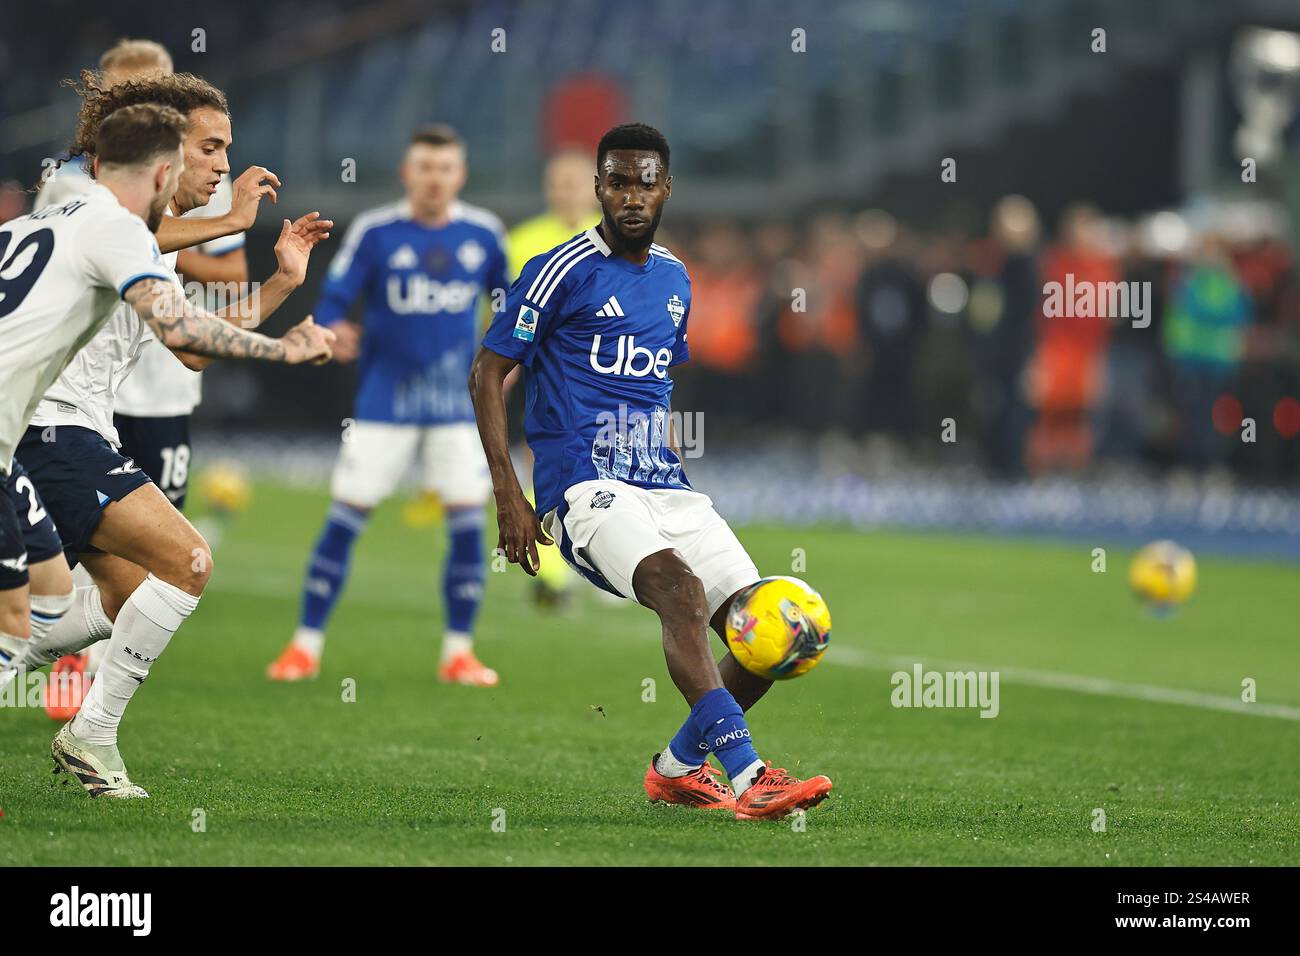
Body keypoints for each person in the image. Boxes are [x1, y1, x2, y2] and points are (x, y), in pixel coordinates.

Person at [469, 123, 832, 820]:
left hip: (664, 484)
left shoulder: (673, 276)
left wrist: (670, 468)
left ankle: (675, 770)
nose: (631, 195)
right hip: (582, 485)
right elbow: (488, 372)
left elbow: (653, 383)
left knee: (770, 634)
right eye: (618, 181)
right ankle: (751, 777)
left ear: (666, 189)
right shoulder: (560, 267)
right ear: (600, 188)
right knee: (680, 592)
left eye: (645, 182)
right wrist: (509, 491)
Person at [0, 102, 334, 797]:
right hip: (51, 429)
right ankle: (92, 737)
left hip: (43, 429)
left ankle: (85, 732)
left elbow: (189, 346)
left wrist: (281, 285)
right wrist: (283, 347)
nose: (221, 167)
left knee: (112, 597)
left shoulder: (61, 214)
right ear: (166, 161)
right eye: (210, 149)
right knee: (187, 560)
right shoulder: (116, 227)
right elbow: (185, 338)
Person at [267, 125, 508, 687]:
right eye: (424, 167)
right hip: (383, 403)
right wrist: (332, 329)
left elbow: (511, 301)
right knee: (345, 519)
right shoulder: (377, 232)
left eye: (445, 168)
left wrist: (502, 364)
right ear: (407, 174)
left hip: (455, 406)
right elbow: (332, 298)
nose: (434, 178)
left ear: (460, 175)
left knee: (469, 525)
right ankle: (304, 646)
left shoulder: (485, 233)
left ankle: (459, 652)